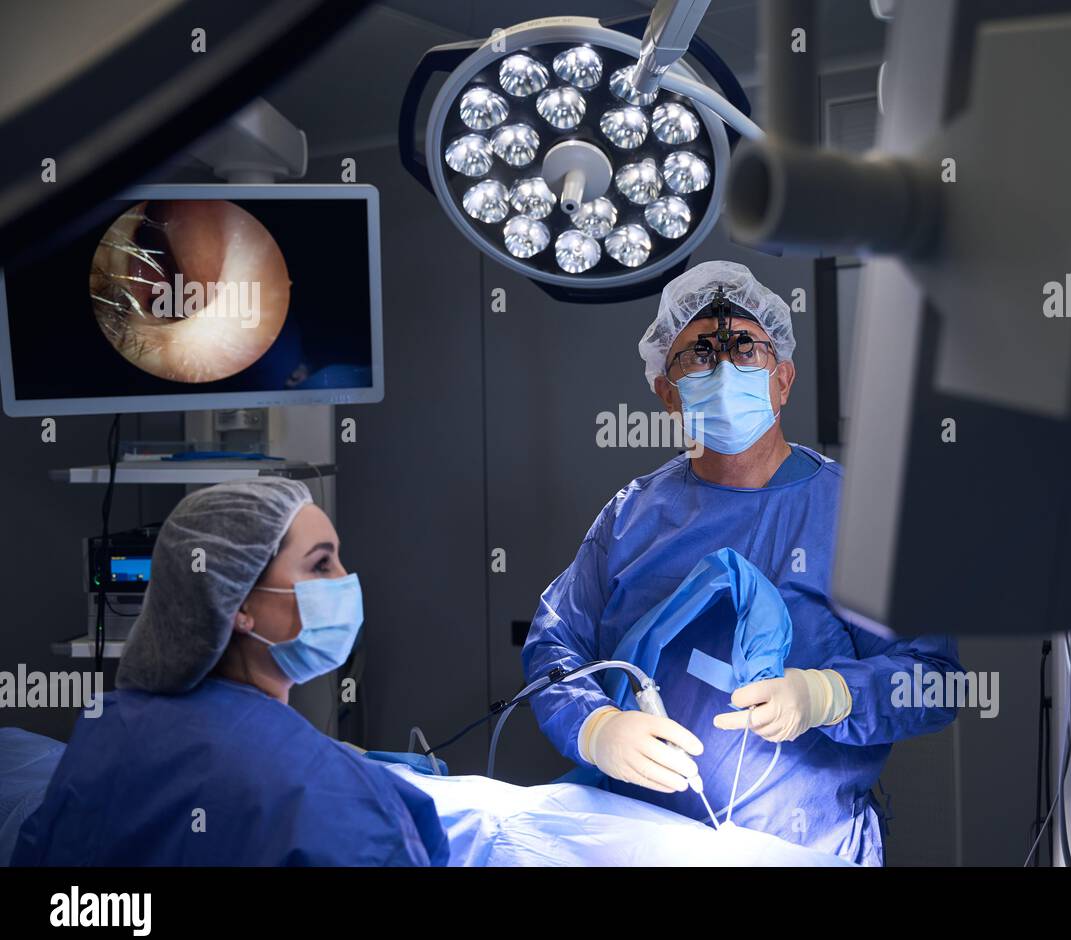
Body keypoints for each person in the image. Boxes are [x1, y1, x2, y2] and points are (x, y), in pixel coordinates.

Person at [522, 260, 962, 865]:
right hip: (641, 838)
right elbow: (555, 647)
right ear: (666, 392)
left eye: (745, 351)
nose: (723, 370)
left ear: (782, 380)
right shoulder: (631, 519)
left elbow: (934, 680)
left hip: (803, 845)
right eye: (699, 354)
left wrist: (827, 694)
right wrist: (595, 728)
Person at [13, 477, 447, 866]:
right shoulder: (340, 800)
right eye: (320, 564)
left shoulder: (107, 730)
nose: (344, 578)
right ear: (238, 603)